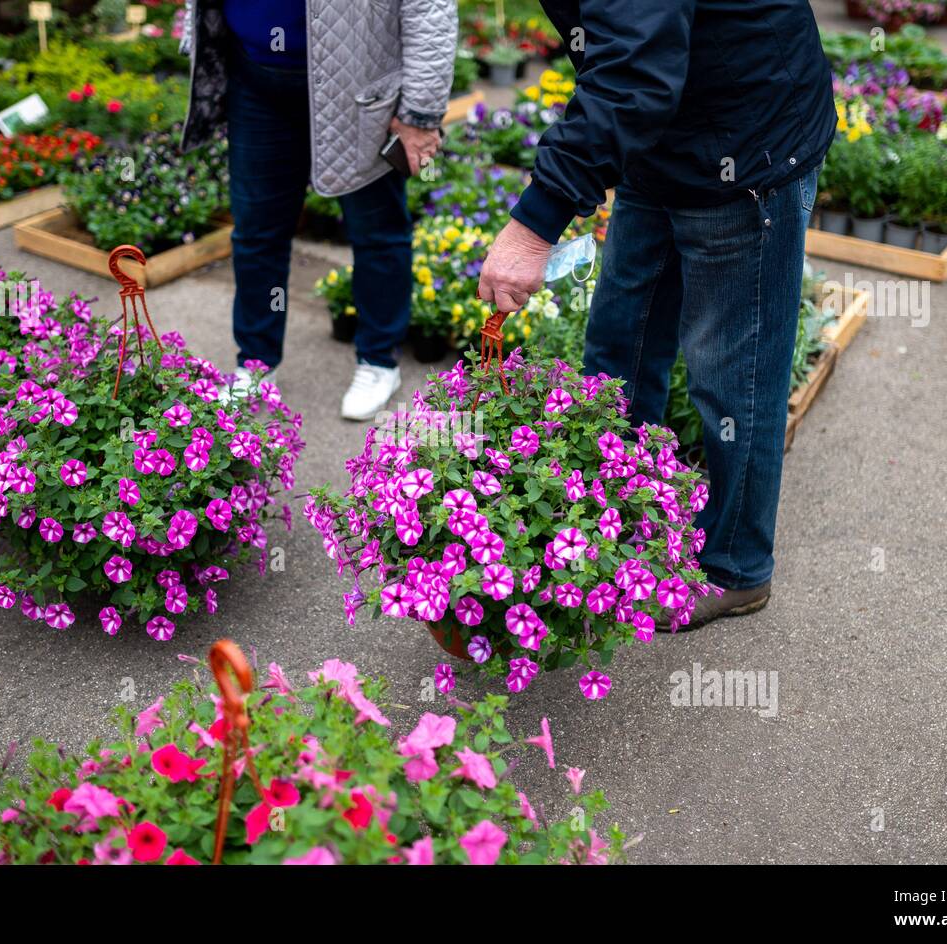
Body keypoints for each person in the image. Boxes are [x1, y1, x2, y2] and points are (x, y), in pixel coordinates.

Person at [478, 0, 836, 628]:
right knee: (620, 346)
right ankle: (626, 523)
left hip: (744, 144)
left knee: (732, 381)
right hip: (663, 135)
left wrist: (535, 226)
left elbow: (636, 67)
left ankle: (735, 567)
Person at [180, 0, 456, 420]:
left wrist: (420, 111)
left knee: (376, 231)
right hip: (254, 80)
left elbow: (429, 5)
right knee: (257, 232)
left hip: (357, 87)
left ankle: (379, 361)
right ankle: (256, 363)